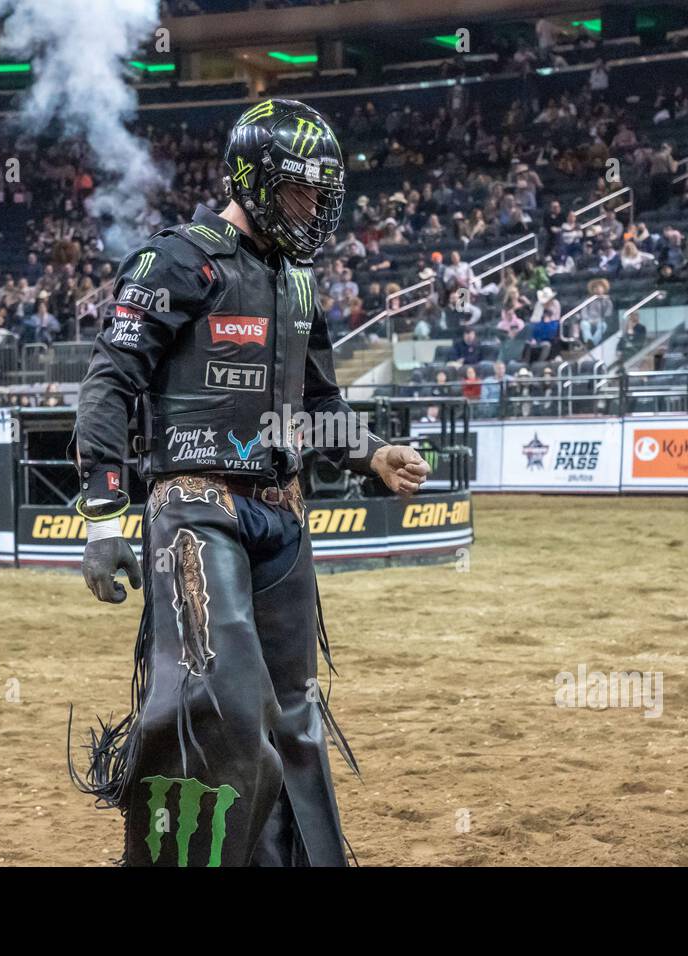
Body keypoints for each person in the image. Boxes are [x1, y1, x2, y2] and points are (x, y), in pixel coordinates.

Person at [70, 99, 430, 868]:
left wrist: (369, 454)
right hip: (197, 515)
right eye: (304, 191)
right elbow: (109, 382)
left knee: (294, 722)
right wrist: (103, 519)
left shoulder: (298, 282)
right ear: (256, 180)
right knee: (217, 708)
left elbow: (320, 402)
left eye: (323, 195)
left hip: (283, 521)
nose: (316, 209)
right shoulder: (177, 259)